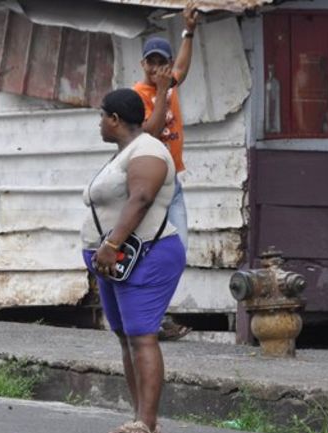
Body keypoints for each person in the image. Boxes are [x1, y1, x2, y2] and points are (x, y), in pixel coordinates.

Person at [81, 88, 185, 433]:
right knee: (126, 338)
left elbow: (141, 198)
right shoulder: (126, 152)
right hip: (117, 261)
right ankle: (141, 419)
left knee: (142, 336)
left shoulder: (149, 150)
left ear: (114, 119)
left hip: (145, 256)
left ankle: (147, 421)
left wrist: (111, 244)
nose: (99, 122)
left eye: (101, 116)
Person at [133, 1, 198, 341]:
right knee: (150, 252)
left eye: (163, 61)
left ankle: (155, 314)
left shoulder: (169, 83)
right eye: (151, 61)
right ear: (143, 63)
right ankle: (148, 316)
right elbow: (152, 131)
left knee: (178, 252)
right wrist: (160, 92)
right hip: (150, 187)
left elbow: (183, 69)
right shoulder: (137, 95)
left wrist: (189, 31)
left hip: (172, 185)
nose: (157, 67)